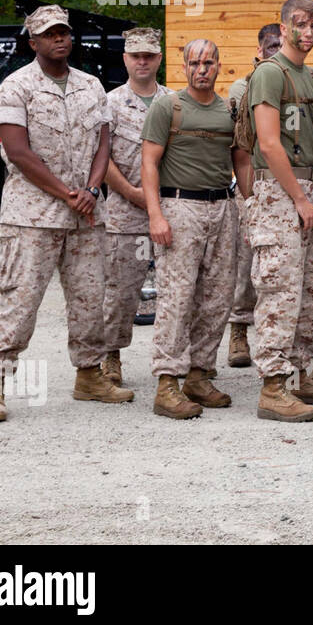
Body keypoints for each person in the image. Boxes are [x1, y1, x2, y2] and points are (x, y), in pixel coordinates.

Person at [0, 5, 130, 422]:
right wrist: (68, 193)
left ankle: (89, 376)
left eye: (64, 32)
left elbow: (104, 143)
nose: (60, 38)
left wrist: (94, 190)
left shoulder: (92, 86)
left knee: (89, 300)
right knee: (19, 302)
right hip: (32, 217)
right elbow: (19, 152)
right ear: (33, 43)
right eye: (49, 34)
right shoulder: (15, 87)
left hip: (85, 215)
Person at [242, 0, 313, 422]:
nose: (308, 32)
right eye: (300, 24)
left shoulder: (310, 76)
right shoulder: (270, 73)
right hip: (280, 193)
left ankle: (300, 376)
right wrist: (300, 199)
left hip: (310, 188)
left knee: (312, 291)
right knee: (280, 290)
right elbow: (268, 142)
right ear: (283, 28)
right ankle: (272, 387)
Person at [140, 39, 239, 418]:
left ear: (218, 66)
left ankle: (199, 375)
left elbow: (240, 161)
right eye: (195, 62)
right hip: (180, 207)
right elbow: (149, 162)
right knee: (177, 297)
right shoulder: (168, 106)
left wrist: (248, 207)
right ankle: (167, 383)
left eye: (209, 62)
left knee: (217, 296)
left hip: (222, 208)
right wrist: (155, 215)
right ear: (183, 67)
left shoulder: (228, 109)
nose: (202, 69)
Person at [101, 28, 173, 386]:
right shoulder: (110, 103)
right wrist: (131, 193)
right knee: (120, 290)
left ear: (159, 58)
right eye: (135, 56)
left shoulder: (174, 101)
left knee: (177, 288)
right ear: (125, 59)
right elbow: (100, 157)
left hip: (171, 209)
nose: (142, 61)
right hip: (125, 211)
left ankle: (178, 359)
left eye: (149, 55)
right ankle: (110, 356)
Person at [225, 22, 281, 368]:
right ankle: (239, 330)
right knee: (247, 263)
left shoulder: (298, 81)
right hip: (253, 186)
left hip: (289, 186)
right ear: (259, 52)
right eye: (270, 45)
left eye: (281, 44)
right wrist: (248, 198)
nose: (276, 50)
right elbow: (240, 145)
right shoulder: (242, 88)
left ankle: (275, 337)